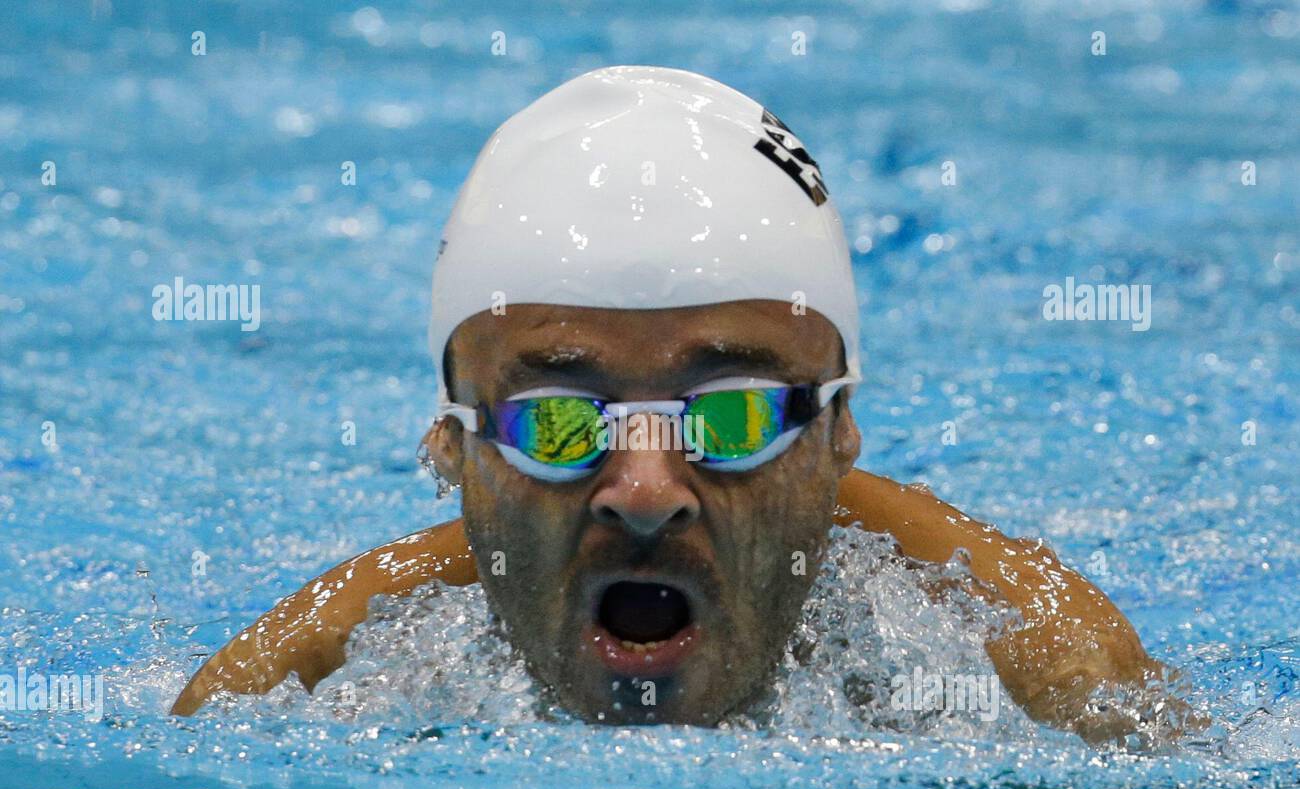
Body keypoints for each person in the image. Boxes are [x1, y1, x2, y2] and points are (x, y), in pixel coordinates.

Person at [172, 66, 1181, 743]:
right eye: (558, 422)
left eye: (731, 416)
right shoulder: (290, 694)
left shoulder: (1036, 674)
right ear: (452, 448)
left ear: (836, 434)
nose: (645, 493)